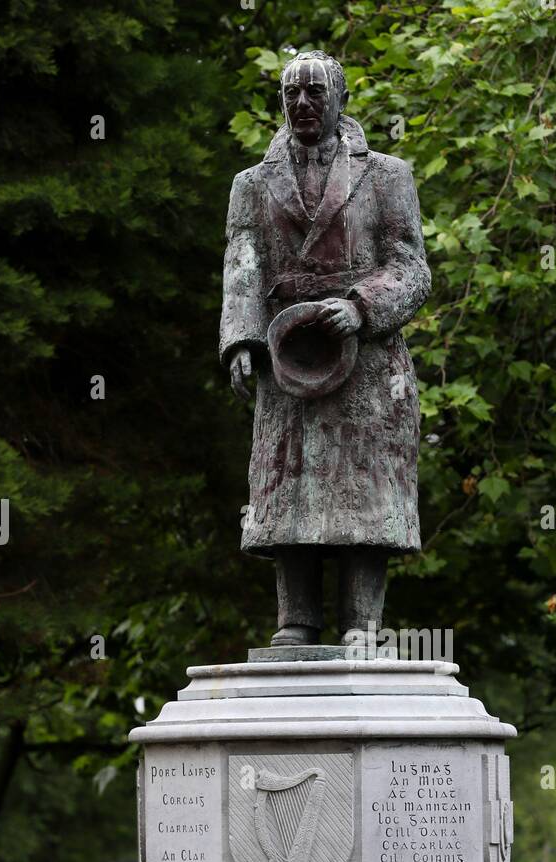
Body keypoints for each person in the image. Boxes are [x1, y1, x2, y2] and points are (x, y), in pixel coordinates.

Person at [220, 50, 430, 646]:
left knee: (365, 490)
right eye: (292, 94)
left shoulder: (388, 174)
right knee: (289, 482)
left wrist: (362, 307)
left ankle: (363, 625)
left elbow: (412, 268)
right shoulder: (252, 185)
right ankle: (297, 620)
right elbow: (242, 265)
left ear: (340, 99)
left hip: (364, 357)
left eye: (315, 92)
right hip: (287, 353)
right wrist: (240, 339)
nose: (303, 103)